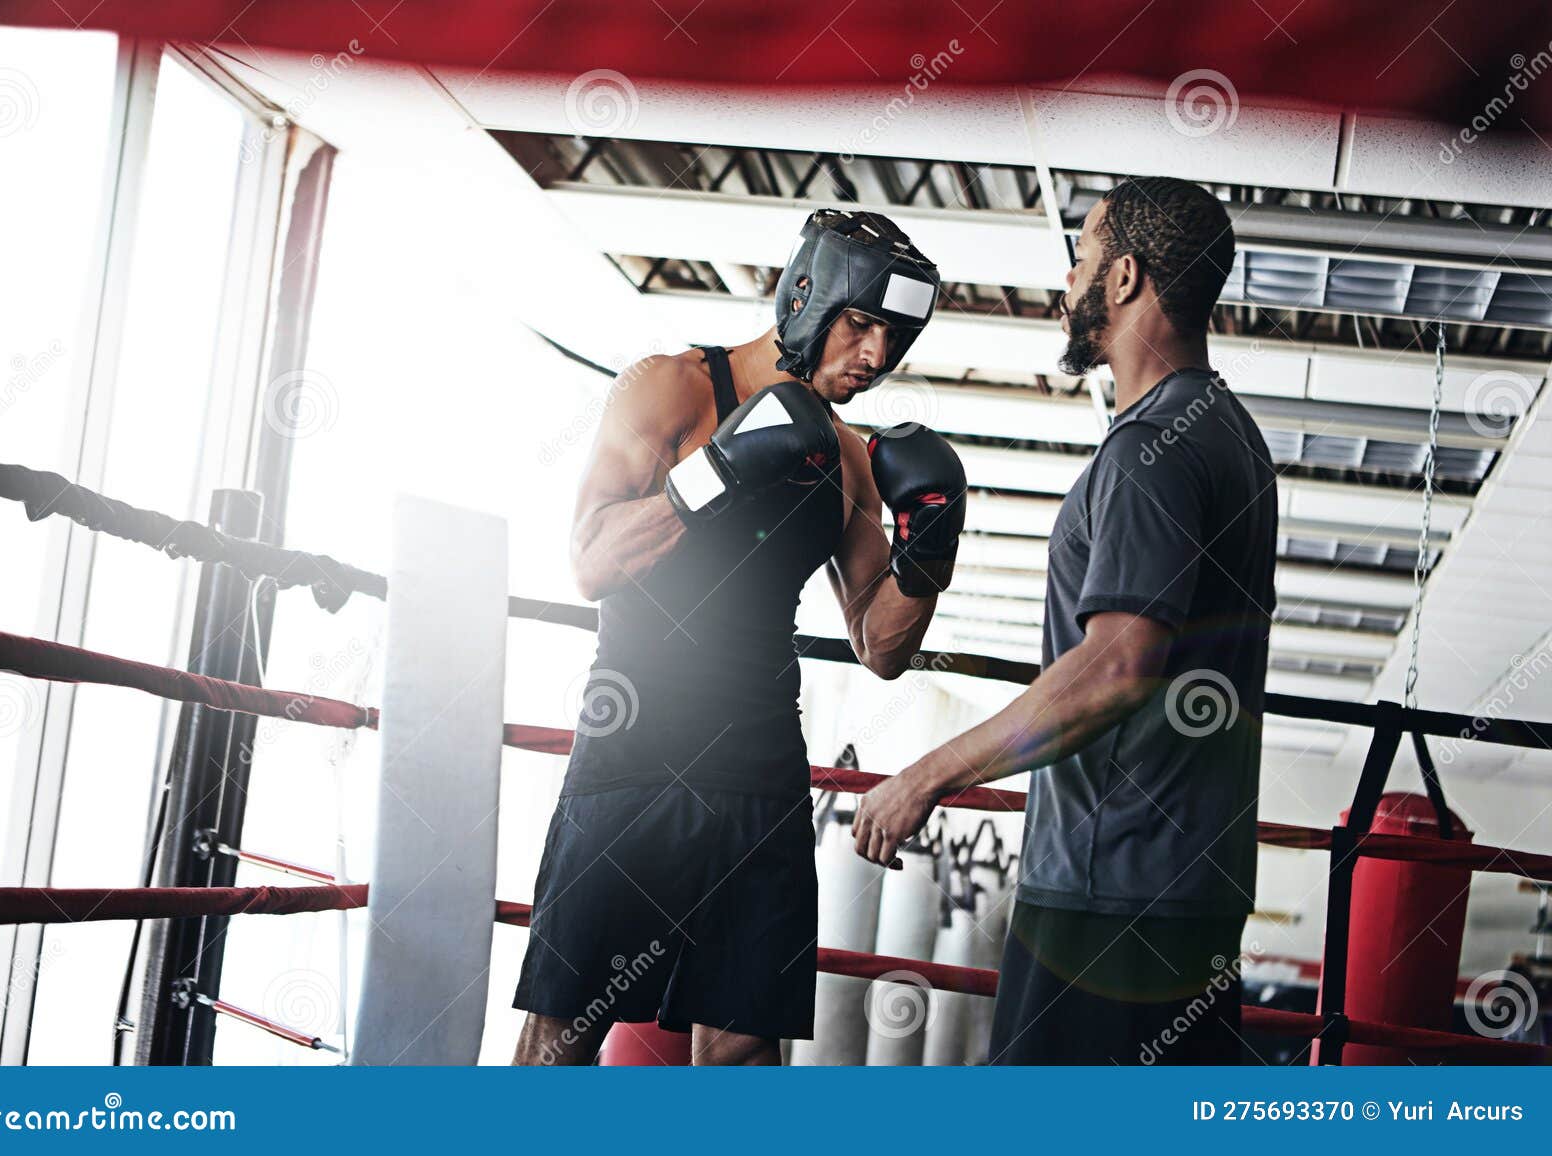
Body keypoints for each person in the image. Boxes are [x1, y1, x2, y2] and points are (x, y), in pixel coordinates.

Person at [513, 209, 967, 1065]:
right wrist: (714, 472)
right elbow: (589, 563)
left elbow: (882, 644)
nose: (876, 356)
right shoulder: (671, 388)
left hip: (760, 771)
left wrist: (931, 547)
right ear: (806, 295)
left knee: (744, 1056)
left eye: (895, 338)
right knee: (562, 1037)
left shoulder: (848, 458)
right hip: (636, 751)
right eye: (861, 323)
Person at [851, 176, 1278, 1065]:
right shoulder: (1231, 433)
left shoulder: (1147, 455)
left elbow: (1118, 665)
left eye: (1081, 258)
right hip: (1191, 886)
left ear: (1122, 278)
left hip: (1108, 893)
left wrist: (925, 776)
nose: (1068, 284)